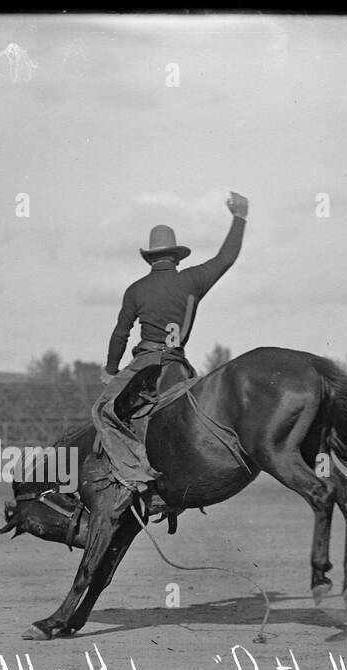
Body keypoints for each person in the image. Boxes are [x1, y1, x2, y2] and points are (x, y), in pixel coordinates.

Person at [94, 192, 249, 494]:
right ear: (176, 257)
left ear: (150, 258)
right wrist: (239, 218)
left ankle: (133, 478)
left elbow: (120, 334)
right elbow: (226, 258)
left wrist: (111, 370)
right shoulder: (193, 280)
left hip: (146, 364)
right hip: (179, 367)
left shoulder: (136, 290)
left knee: (103, 411)